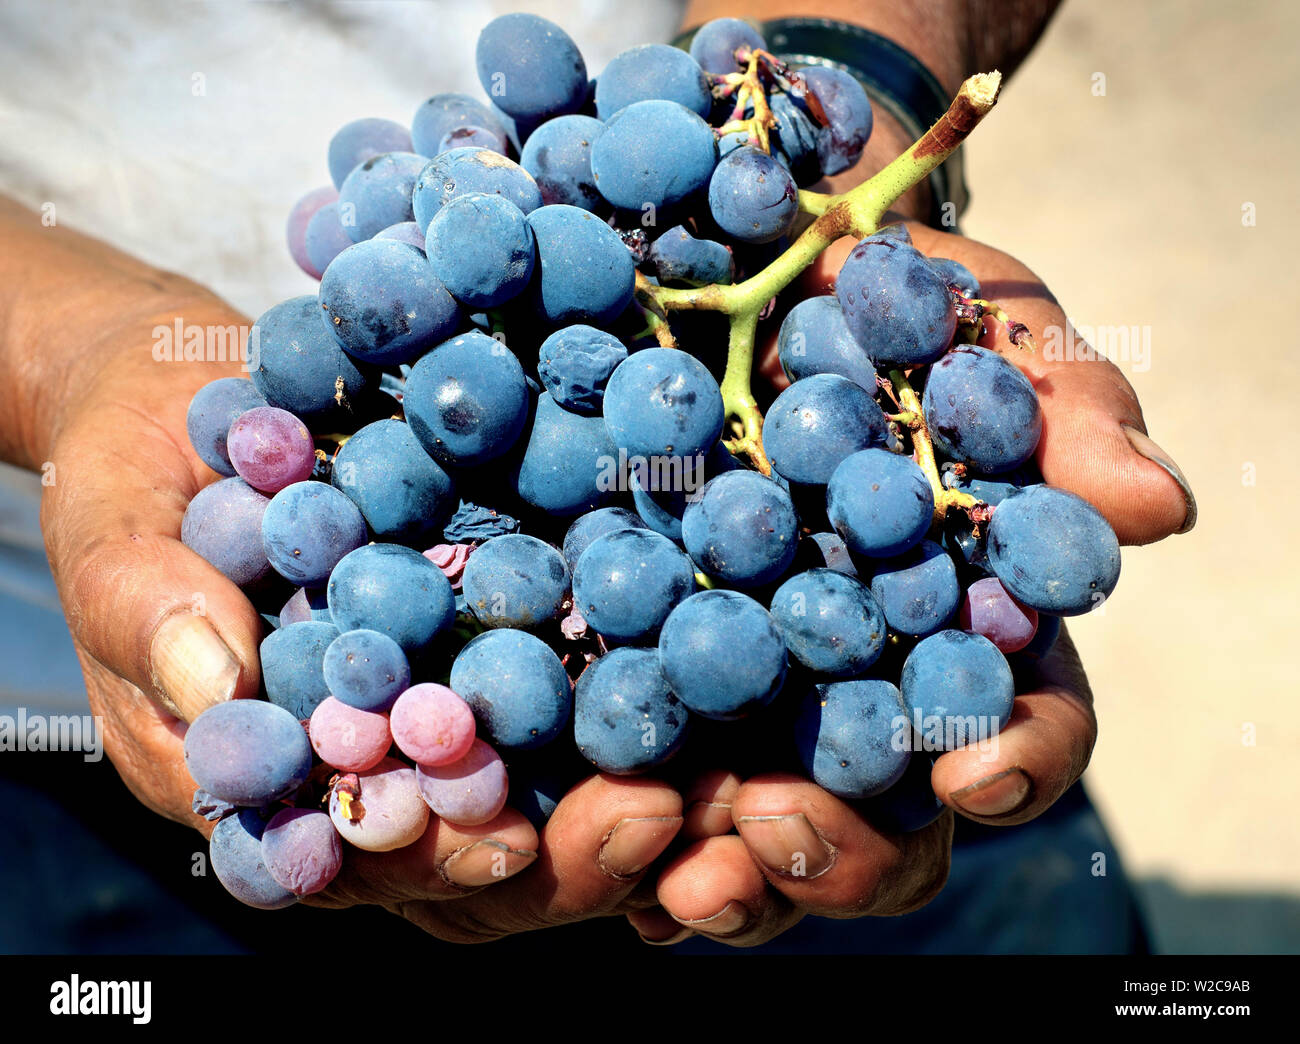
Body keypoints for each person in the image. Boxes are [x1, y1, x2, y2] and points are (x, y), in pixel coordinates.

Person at [0, 0, 1195, 951]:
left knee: (902, 796)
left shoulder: (649, 243)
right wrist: (71, 355)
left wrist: (847, 65)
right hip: (64, 740)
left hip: (763, 752)